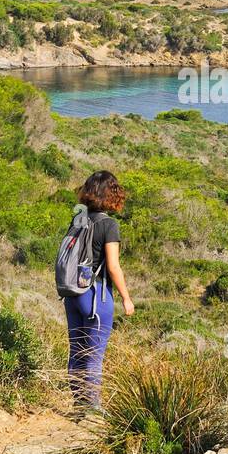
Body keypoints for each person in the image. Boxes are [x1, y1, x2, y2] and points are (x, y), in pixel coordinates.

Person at [65, 170, 134, 411]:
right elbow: (113, 267)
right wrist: (126, 298)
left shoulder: (78, 220)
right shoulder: (109, 225)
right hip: (96, 296)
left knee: (76, 349)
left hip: (73, 293)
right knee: (94, 353)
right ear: (112, 194)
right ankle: (92, 407)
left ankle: (78, 403)